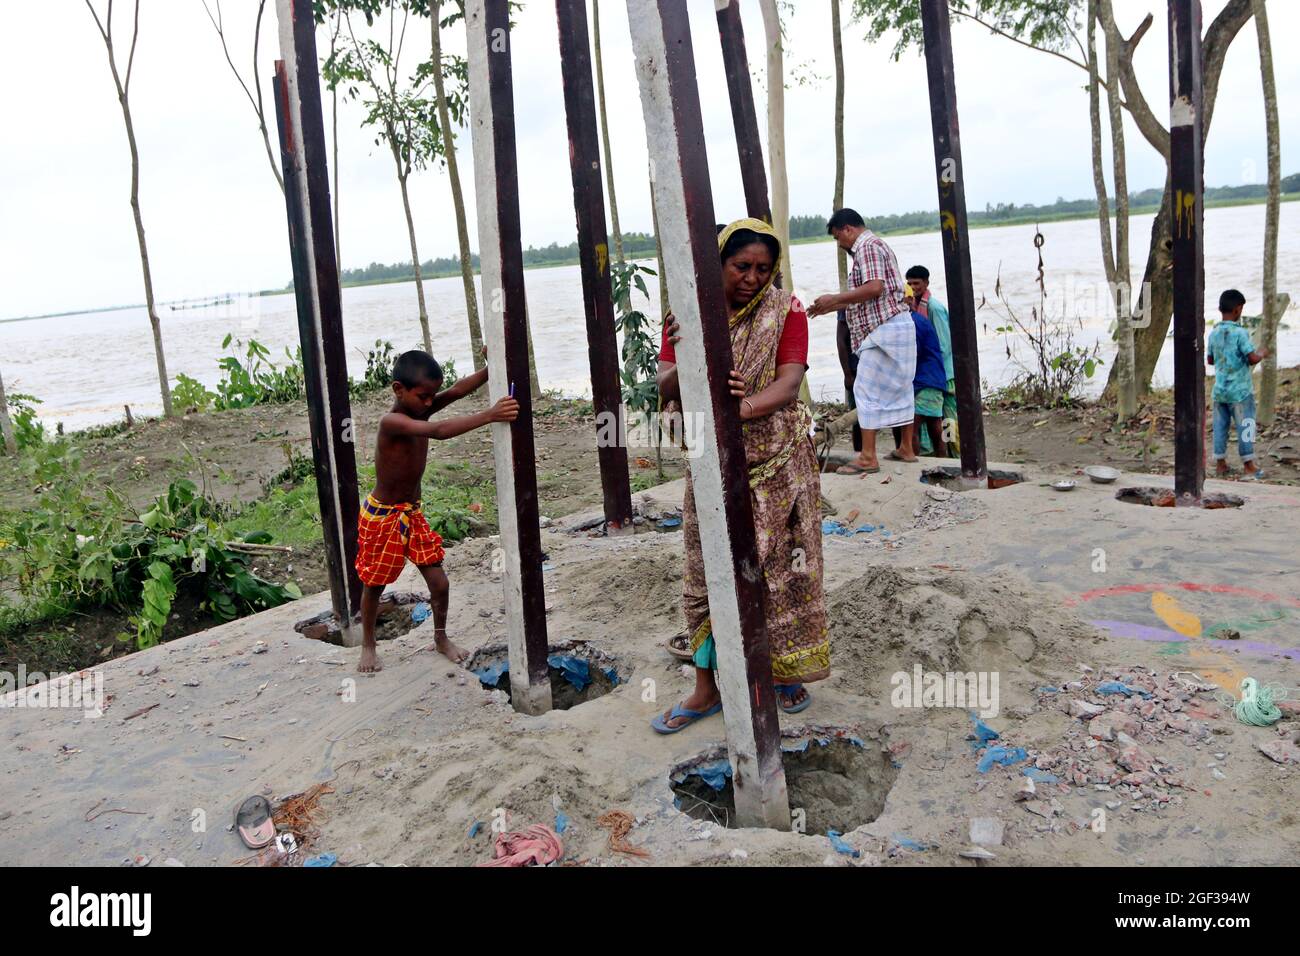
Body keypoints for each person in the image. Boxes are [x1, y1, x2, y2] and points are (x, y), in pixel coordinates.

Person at [651, 218, 830, 732]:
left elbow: (790, 382)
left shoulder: (787, 310)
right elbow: (665, 386)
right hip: (712, 466)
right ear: (718, 264)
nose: (753, 278)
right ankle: (707, 689)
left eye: (764, 269)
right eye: (741, 266)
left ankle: (779, 670)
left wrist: (742, 409)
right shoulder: (687, 315)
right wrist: (691, 361)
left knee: (781, 570)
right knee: (709, 575)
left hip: (779, 466)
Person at [355, 350, 518, 672]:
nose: (430, 402)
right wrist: (490, 415)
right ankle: (368, 644)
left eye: (432, 395)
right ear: (398, 389)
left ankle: (441, 638)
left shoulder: (421, 408)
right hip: (383, 516)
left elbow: (457, 390)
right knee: (374, 585)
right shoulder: (393, 422)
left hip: (411, 514)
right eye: (423, 396)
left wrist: (490, 368)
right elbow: (440, 432)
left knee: (440, 584)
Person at [808, 209, 915, 473]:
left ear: (847, 229)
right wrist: (831, 307)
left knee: (864, 389)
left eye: (837, 237)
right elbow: (873, 296)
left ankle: (868, 457)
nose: (839, 244)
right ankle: (906, 448)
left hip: (883, 330)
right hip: (896, 326)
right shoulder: (876, 245)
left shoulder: (866, 247)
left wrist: (835, 298)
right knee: (901, 386)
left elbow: (874, 288)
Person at [1207, 289, 1269, 479]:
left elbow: (1210, 360)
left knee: (1220, 427)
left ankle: (1220, 464)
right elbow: (1251, 358)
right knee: (1246, 425)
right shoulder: (1241, 333)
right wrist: (1262, 354)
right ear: (1238, 309)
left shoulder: (1214, 333)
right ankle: (1249, 465)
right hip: (1240, 391)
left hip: (1220, 390)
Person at [905, 265, 958, 457]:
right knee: (934, 420)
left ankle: (956, 455)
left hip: (943, 374)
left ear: (926, 283)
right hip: (930, 373)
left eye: (916, 283)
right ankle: (942, 455)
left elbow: (944, 345)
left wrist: (936, 376)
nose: (913, 287)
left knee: (949, 420)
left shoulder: (933, 308)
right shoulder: (917, 307)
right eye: (909, 283)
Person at [895, 306, 948, 458]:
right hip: (934, 380)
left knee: (910, 427)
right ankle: (942, 461)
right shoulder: (918, 319)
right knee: (935, 426)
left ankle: (910, 457)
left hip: (925, 380)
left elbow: (912, 353)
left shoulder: (912, 323)